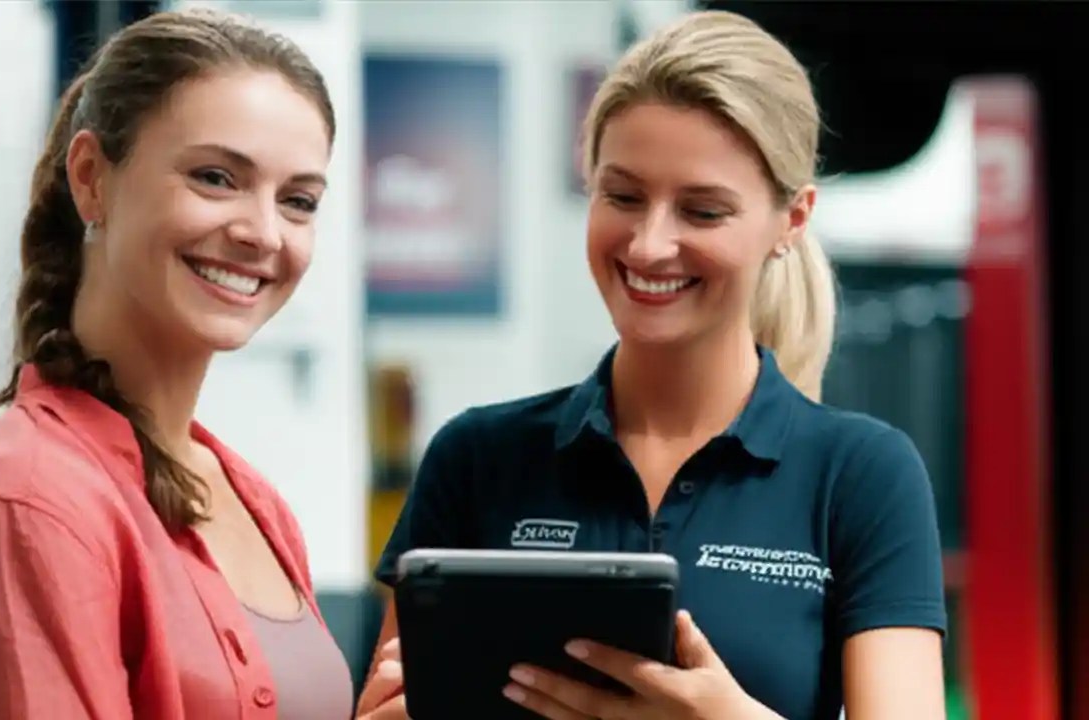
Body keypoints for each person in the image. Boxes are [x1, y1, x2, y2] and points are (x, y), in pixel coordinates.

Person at [360, 10, 947, 720]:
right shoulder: (479, 458)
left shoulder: (861, 475)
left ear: (791, 222)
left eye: (702, 211)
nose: (647, 245)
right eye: (624, 196)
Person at [0, 9, 406, 720]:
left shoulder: (250, 498)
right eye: (215, 177)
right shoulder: (32, 498)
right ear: (90, 178)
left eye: (297, 201)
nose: (261, 232)